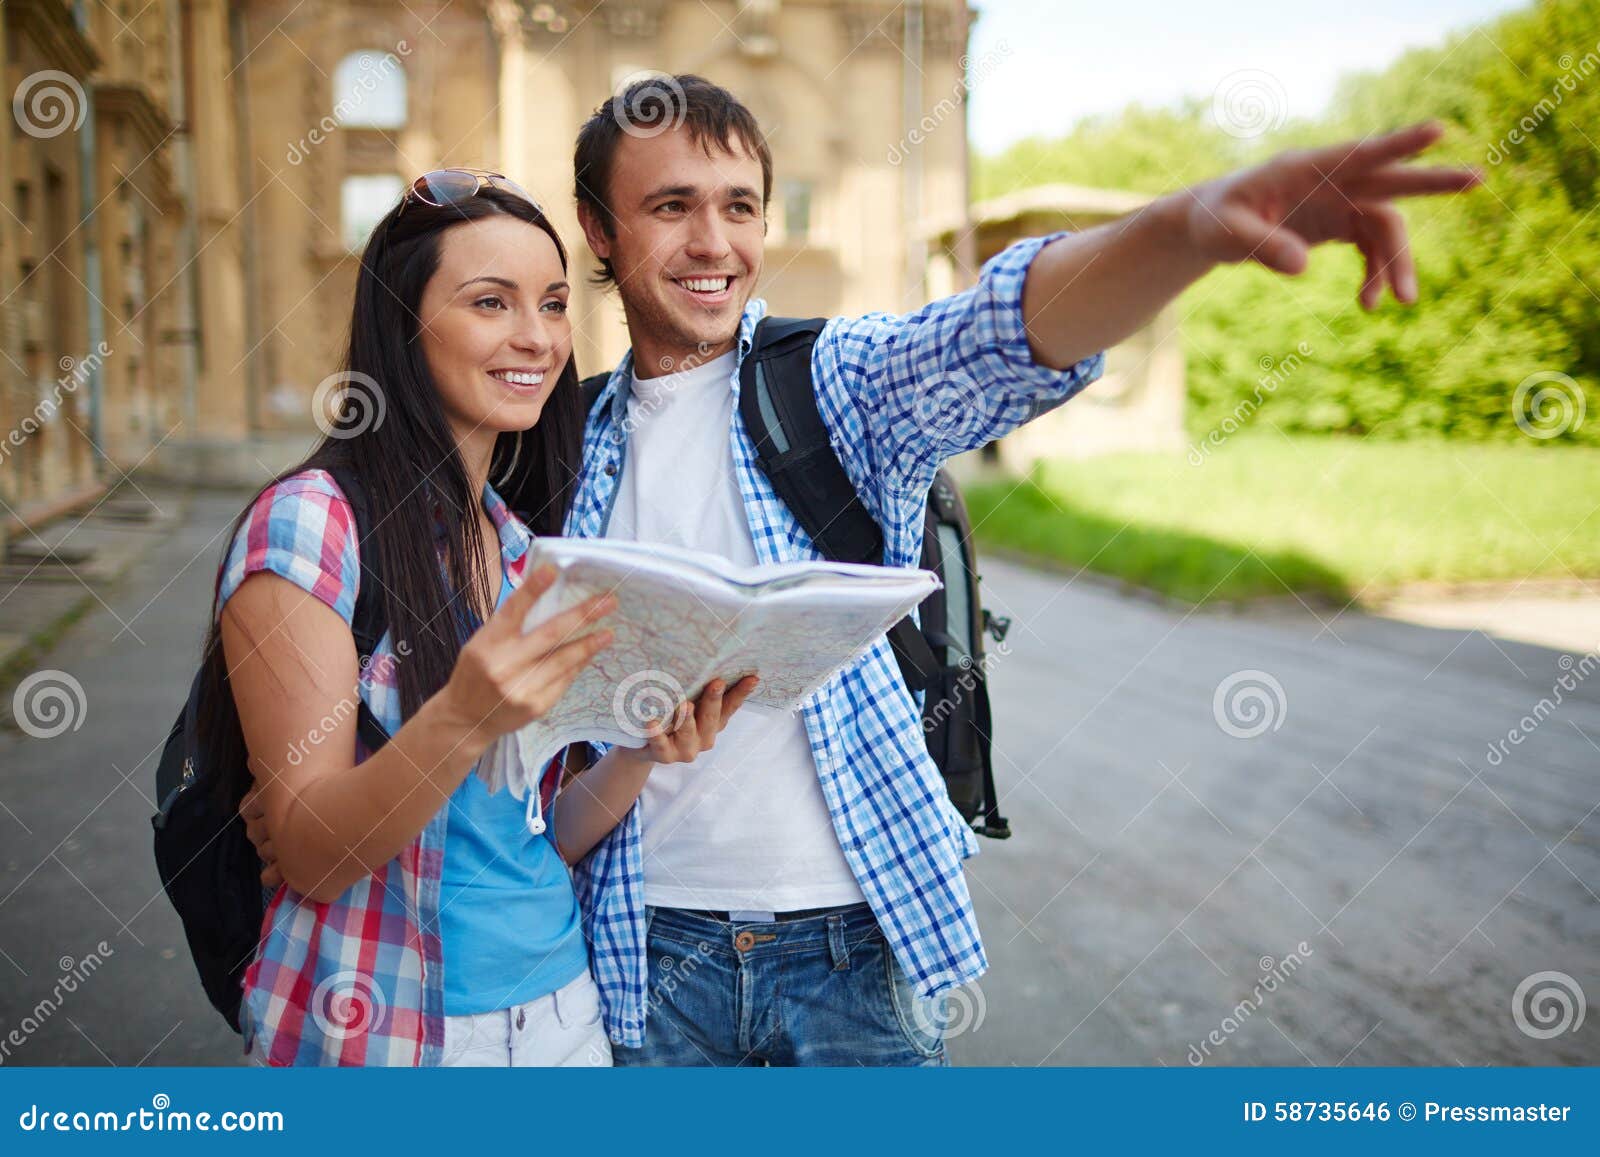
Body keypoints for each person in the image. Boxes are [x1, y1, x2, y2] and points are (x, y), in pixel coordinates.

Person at [561, 75, 1480, 1066]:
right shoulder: (557, 443)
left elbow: (997, 334)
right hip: (636, 948)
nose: (714, 243)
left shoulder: (830, 382)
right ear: (598, 229)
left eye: (738, 206)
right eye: (670, 207)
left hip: (852, 948)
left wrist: (1191, 227)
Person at [217, 168, 756, 1066]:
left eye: (551, 304)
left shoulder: (519, 548)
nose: (536, 338)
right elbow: (310, 852)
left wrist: (639, 747)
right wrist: (462, 713)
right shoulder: (313, 522)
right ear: (403, 323)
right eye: (490, 303)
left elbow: (535, 830)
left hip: (562, 1018)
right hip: (389, 1025)